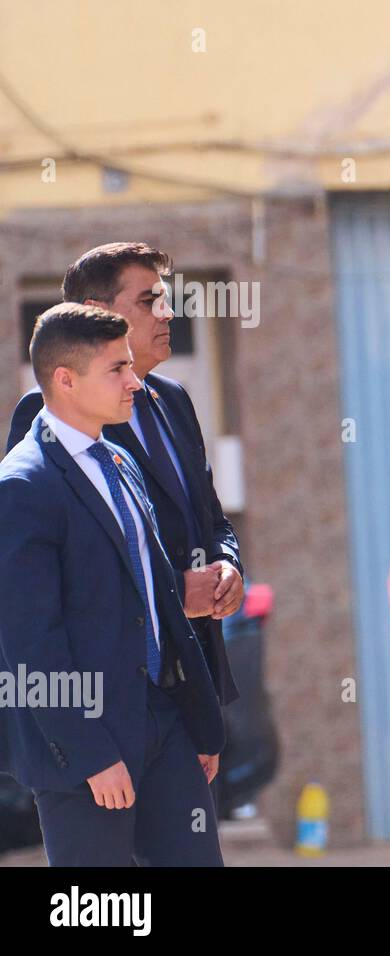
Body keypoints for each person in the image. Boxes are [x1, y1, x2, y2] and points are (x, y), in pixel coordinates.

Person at [0, 304, 225, 866]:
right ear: (66, 380)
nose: (134, 381)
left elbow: (147, 596)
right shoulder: (22, 486)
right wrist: (88, 753)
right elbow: (30, 641)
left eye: (131, 364)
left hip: (163, 720)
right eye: (116, 369)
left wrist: (198, 721)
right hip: (85, 742)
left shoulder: (121, 460)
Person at [6, 243, 244, 707]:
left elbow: (212, 519)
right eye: (149, 300)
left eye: (166, 299)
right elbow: (54, 578)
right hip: (118, 694)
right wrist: (175, 590)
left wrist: (228, 566)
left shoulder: (173, 398)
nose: (167, 313)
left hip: (197, 686)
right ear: (97, 312)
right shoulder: (49, 413)